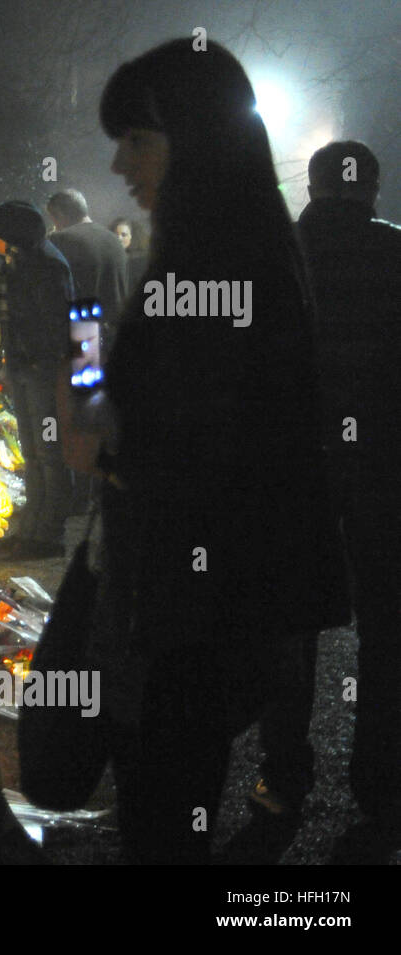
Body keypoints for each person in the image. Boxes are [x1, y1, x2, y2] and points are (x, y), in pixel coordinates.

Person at [77, 38, 350, 863]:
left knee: (161, 817)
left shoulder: (209, 273)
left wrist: (92, 371)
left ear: (199, 141)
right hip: (211, 610)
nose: (121, 163)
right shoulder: (250, 255)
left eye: (139, 139)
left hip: (184, 616)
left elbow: (137, 441)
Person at [253, 141, 401, 858]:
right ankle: (381, 784)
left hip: (295, 469)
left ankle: (284, 775)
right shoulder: (395, 254)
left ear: (310, 185)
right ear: (373, 189)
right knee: (386, 627)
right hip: (383, 465)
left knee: (292, 625)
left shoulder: (276, 254)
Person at [0, 199, 74, 560]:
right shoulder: (17, 264)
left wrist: (37, 362)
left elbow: (56, 324)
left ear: (14, 234)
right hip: (23, 369)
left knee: (50, 453)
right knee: (32, 454)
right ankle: (30, 531)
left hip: (42, 373)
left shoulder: (47, 266)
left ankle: (49, 535)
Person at [46, 190, 128, 516]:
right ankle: (103, 485)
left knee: (78, 418)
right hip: (114, 336)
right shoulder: (111, 239)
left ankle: (78, 494)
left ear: (58, 215)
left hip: (83, 337)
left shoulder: (64, 241)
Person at [46, 189, 129, 319]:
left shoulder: (60, 239)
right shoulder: (114, 240)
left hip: (83, 329)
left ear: (60, 215)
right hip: (116, 327)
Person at [110, 216, 149, 290]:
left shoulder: (140, 261)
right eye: (116, 235)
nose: (119, 238)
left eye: (123, 235)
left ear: (132, 237)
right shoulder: (110, 260)